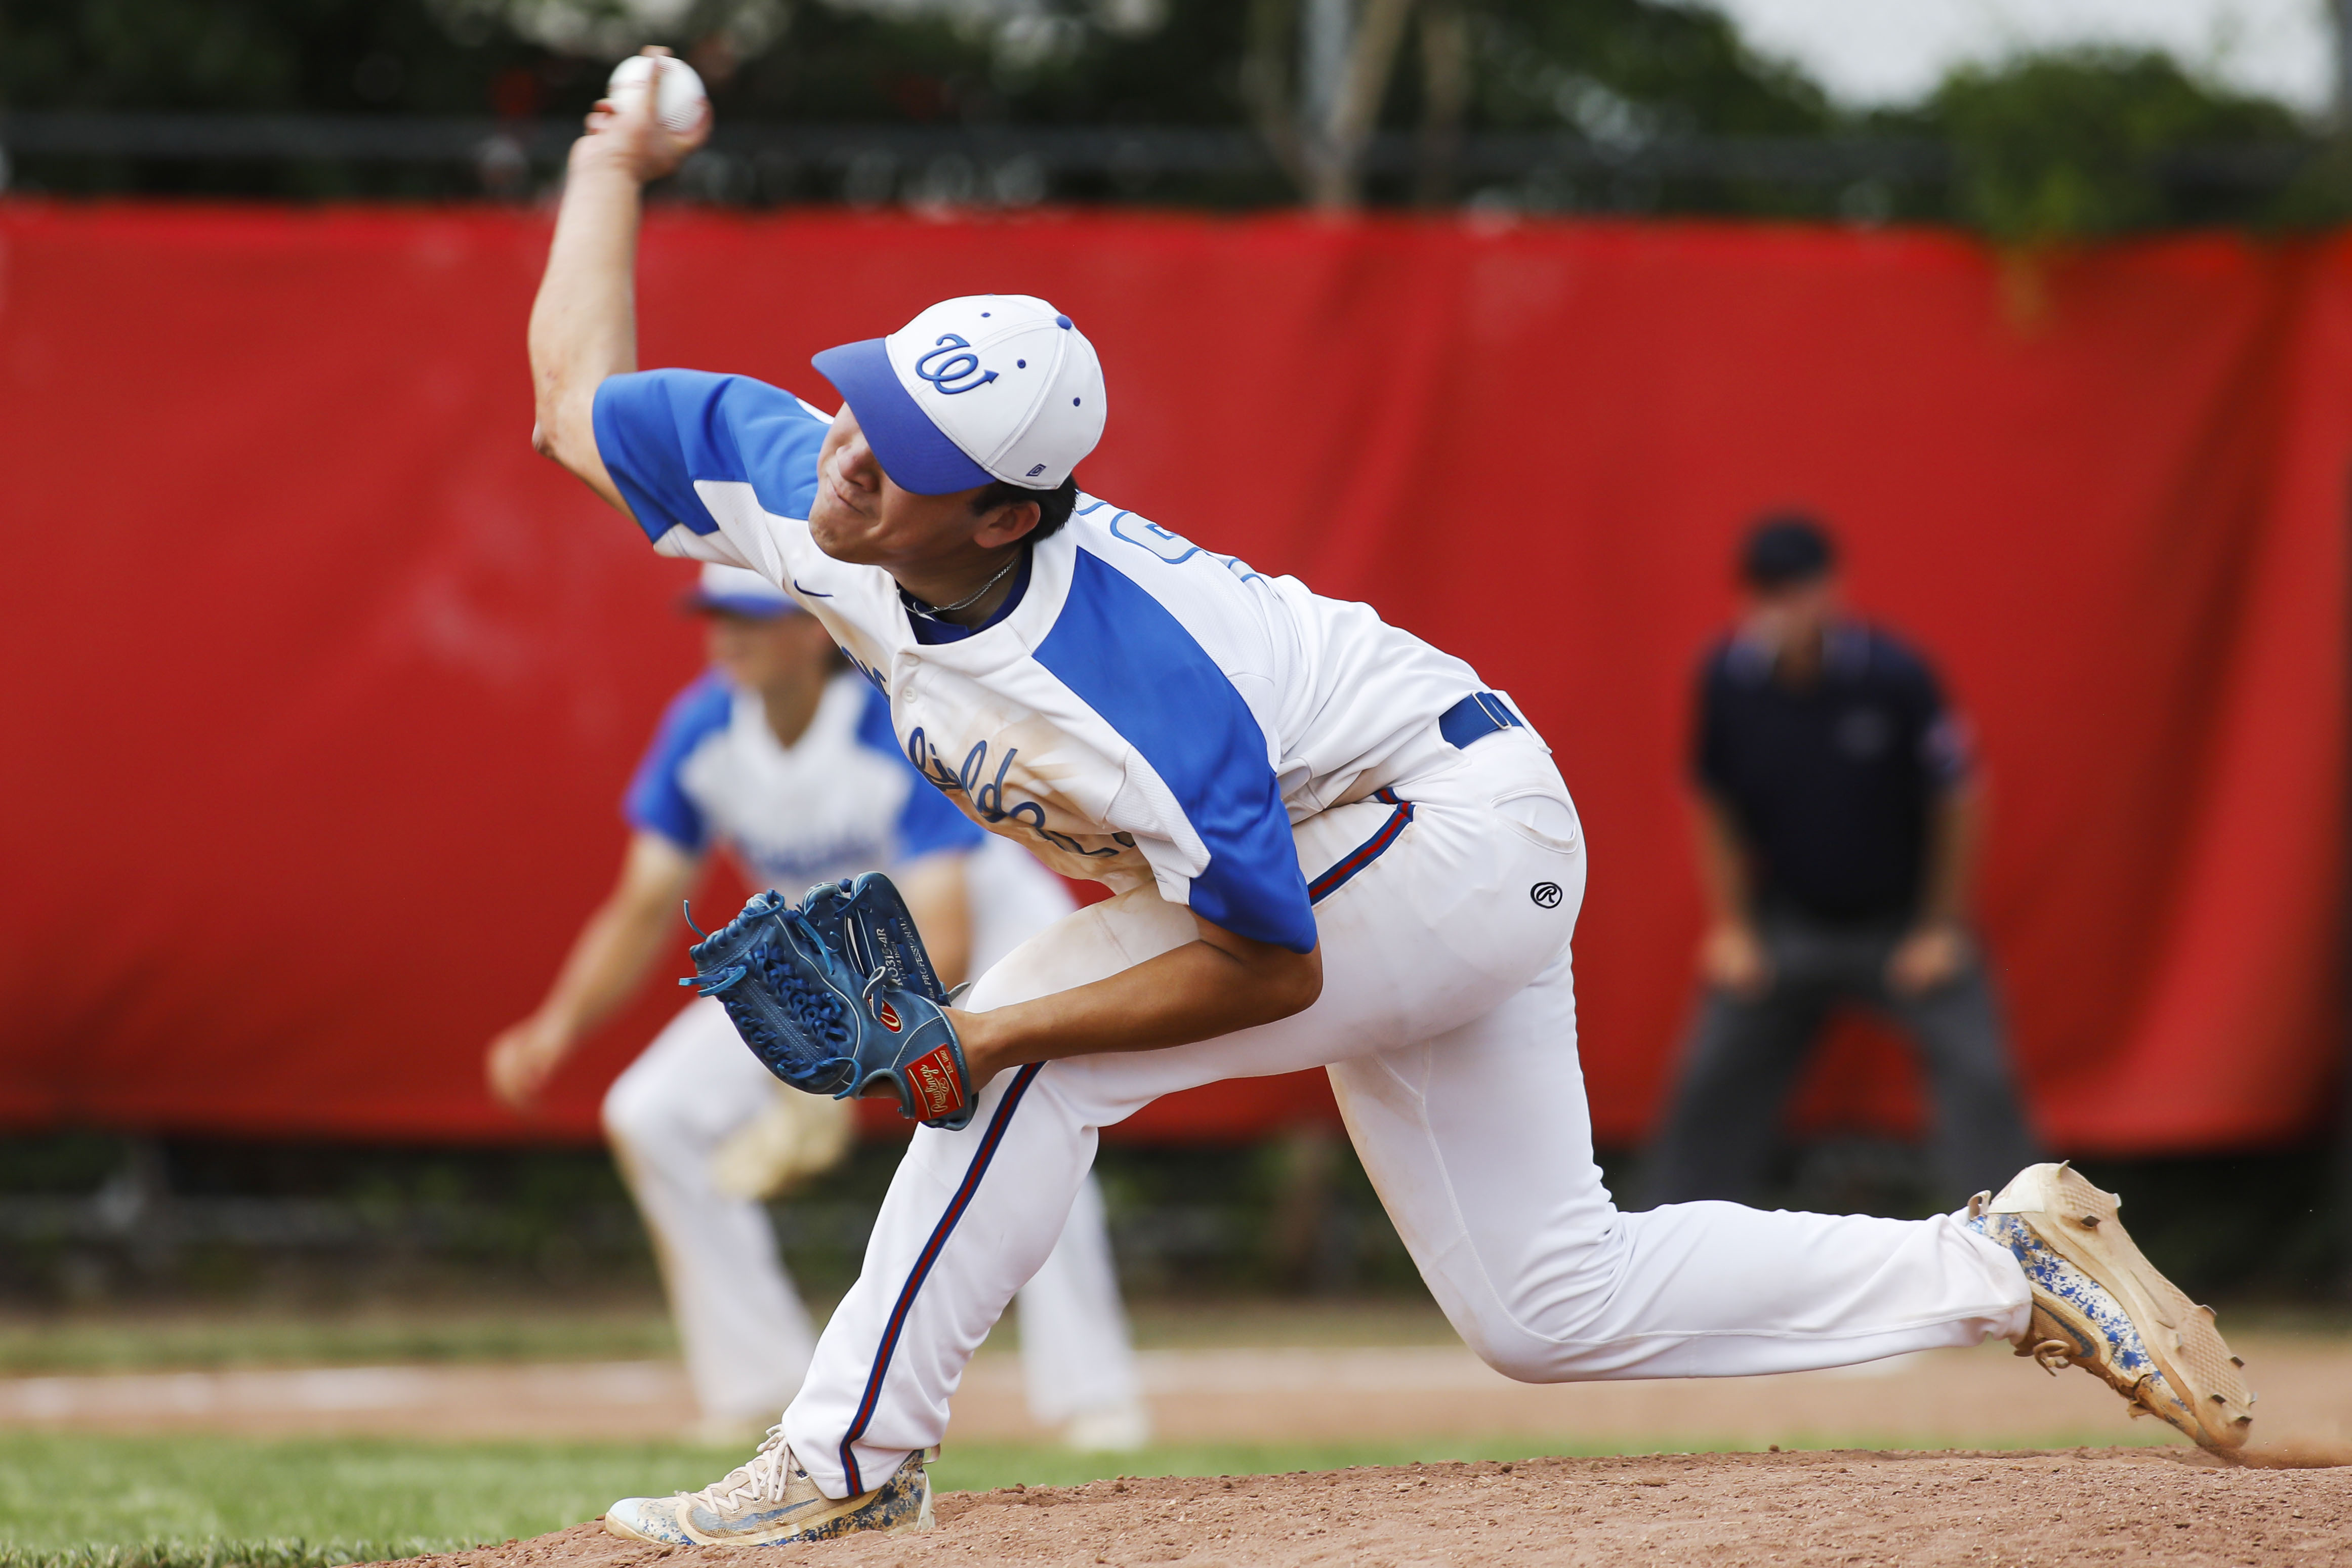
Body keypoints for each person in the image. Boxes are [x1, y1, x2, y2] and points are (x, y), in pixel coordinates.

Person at [520, 52, 2251, 1544]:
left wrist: (976, 1039)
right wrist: (606, 159)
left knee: (1032, 1026)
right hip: (1396, 825)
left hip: (1437, 824)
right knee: (1542, 1299)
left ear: (996, 516)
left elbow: (1263, 963)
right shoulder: (808, 488)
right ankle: (2001, 1265)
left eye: (901, 444)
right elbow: (567, 401)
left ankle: (843, 1459)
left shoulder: (1124, 682)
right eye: (866, 394)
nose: (847, 442)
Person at [484, 561, 1149, 1450]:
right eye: (718, 615)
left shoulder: (887, 722)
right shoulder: (705, 730)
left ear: (813, 630)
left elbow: (942, 926)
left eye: (752, 616)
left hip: (993, 939)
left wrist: (840, 1076)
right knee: (653, 1113)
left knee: (1023, 1119)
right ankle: (760, 1381)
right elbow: (646, 902)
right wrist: (556, 1025)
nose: (728, 636)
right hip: (826, 966)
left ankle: (1093, 1394)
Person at [1643, 515, 2041, 1209]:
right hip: (1789, 923)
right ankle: (1662, 1240)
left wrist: (1940, 926)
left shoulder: (1895, 675)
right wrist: (1732, 926)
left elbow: (1958, 800)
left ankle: (2026, 1244)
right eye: (1766, 591)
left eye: (1796, 590)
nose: (1781, 608)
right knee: (1711, 1073)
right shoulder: (1728, 681)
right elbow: (1714, 805)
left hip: (1900, 923)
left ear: (1831, 590)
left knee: (1980, 1071)